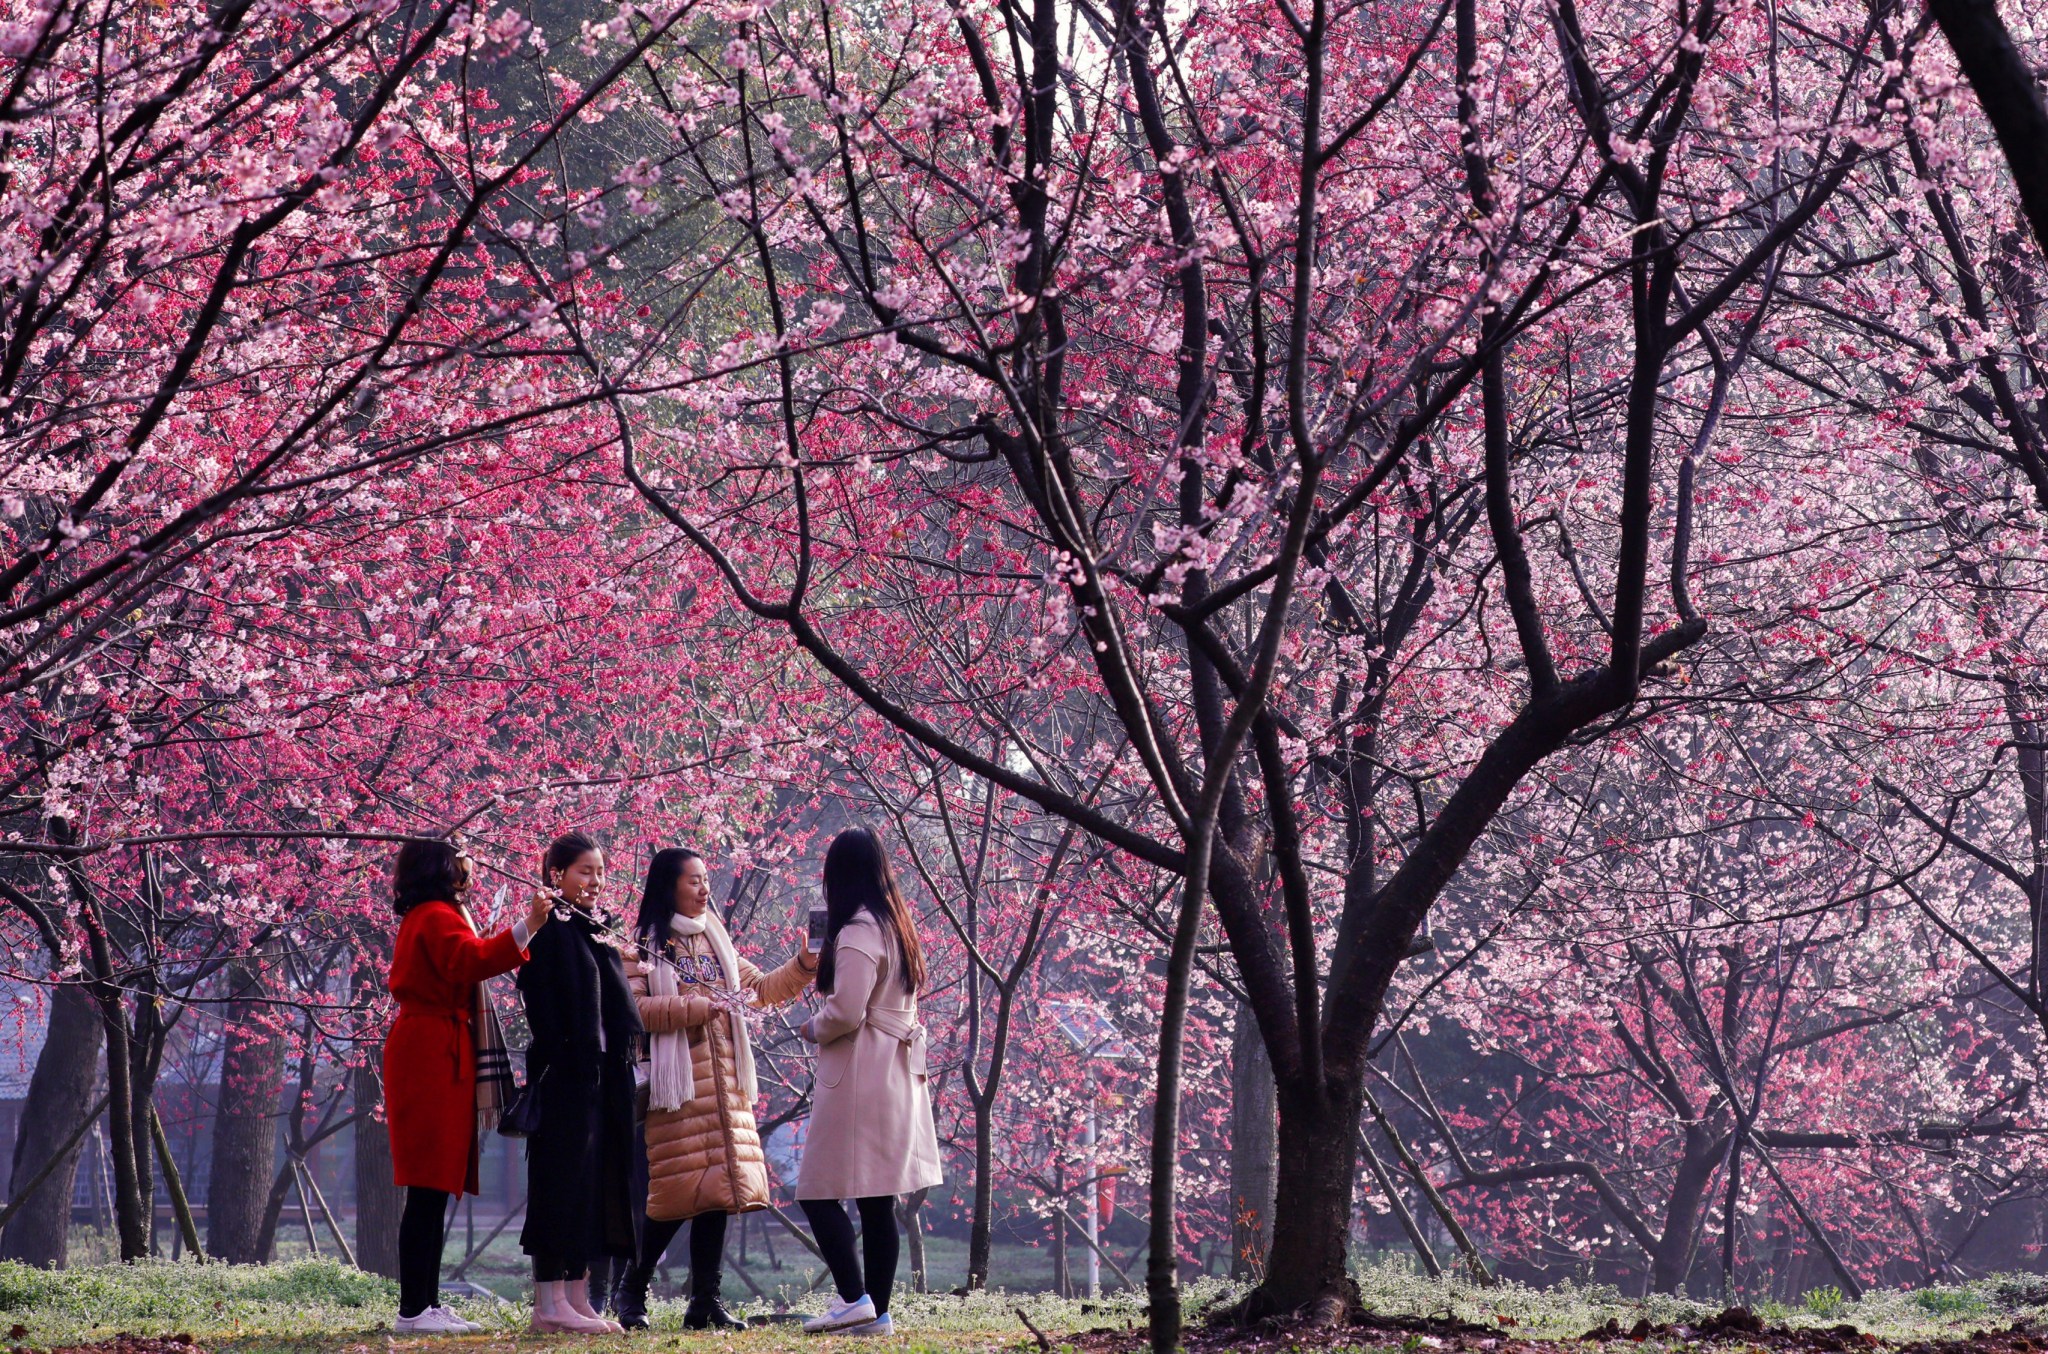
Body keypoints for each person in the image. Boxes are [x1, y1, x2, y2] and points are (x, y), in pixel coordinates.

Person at [616, 848, 817, 1330]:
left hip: (724, 1083)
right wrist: (697, 1008)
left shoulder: (716, 940)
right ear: (669, 886)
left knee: (719, 1193)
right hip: (677, 1086)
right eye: (694, 881)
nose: (705, 889)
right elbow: (635, 1011)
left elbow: (762, 990)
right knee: (673, 1192)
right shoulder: (640, 946)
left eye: (706, 880)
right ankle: (632, 1288)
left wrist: (805, 963)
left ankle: (704, 1301)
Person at [383, 838, 552, 1335]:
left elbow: (466, 959)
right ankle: (415, 1308)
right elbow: (470, 959)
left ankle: (424, 1303)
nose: (469, 870)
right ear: (442, 869)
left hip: (434, 1046)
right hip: (432, 1051)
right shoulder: (436, 915)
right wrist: (530, 926)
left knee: (432, 1184)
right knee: (429, 1183)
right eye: (460, 863)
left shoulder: (429, 913)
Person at [796, 827, 943, 1338]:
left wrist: (812, 1025)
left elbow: (847, 1012)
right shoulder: (894, 923)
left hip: (863, 1071)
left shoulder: (858, 929)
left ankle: (855, 1299)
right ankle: (874, 1314)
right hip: (896, 1069)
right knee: (879, 1197)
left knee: (817, 1189)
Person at [516, 832, 643, 1334]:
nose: (596, 881)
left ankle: (575, 1296)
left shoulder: (598, 928)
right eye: (585, 871)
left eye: (600, 871)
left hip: (604, 1077)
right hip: (566, 1075)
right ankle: (548, 1306)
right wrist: (568, 1056)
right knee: (559, 1186)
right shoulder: (545, 929)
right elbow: (543, 1005)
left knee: (592, 1186)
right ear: (557, 875)